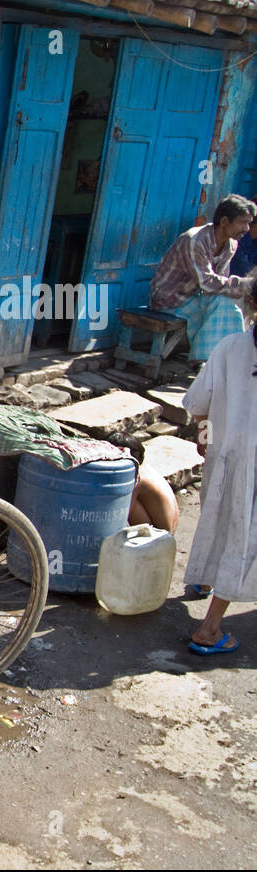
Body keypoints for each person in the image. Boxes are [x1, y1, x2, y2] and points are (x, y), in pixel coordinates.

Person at [178, 315, 257, 656]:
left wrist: (204, 435)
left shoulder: (229, 346)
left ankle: (204, 577)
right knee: (242, 539)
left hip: (222, 457)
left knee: (217, 519)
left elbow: (198, 405)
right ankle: (209, 629)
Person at [149, 194, 257, 364]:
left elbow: (220, 281)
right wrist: (245, 285)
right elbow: (207, 283)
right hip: (169, 299)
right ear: (224, 221)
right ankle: (207, 360)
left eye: (249, 223)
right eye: (242, 223)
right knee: (224, 304)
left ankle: (225, 358)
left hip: (196, 296)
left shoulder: (231, 243)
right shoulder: (195, 240)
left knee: (230, 303)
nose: (246, 228)